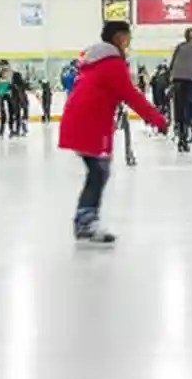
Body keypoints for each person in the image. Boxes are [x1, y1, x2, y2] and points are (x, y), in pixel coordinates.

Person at [58, 20, 168, 245]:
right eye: (127, 38)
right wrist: (157, 119)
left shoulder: (96, 61)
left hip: (84, 118)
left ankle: (85, 219)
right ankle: (86, 221)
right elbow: (130, 94)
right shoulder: (111, 63)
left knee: (99, 171)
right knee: (98, 171)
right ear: (119, 37)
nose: (129, 43)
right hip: (89, 121)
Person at [168, 27, 192, 152]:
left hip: (178, 80)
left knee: (179, 109)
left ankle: (181, 133)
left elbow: (172, 65)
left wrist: (171, 79)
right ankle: (189, 133)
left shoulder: (180, 47)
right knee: (190, 107)